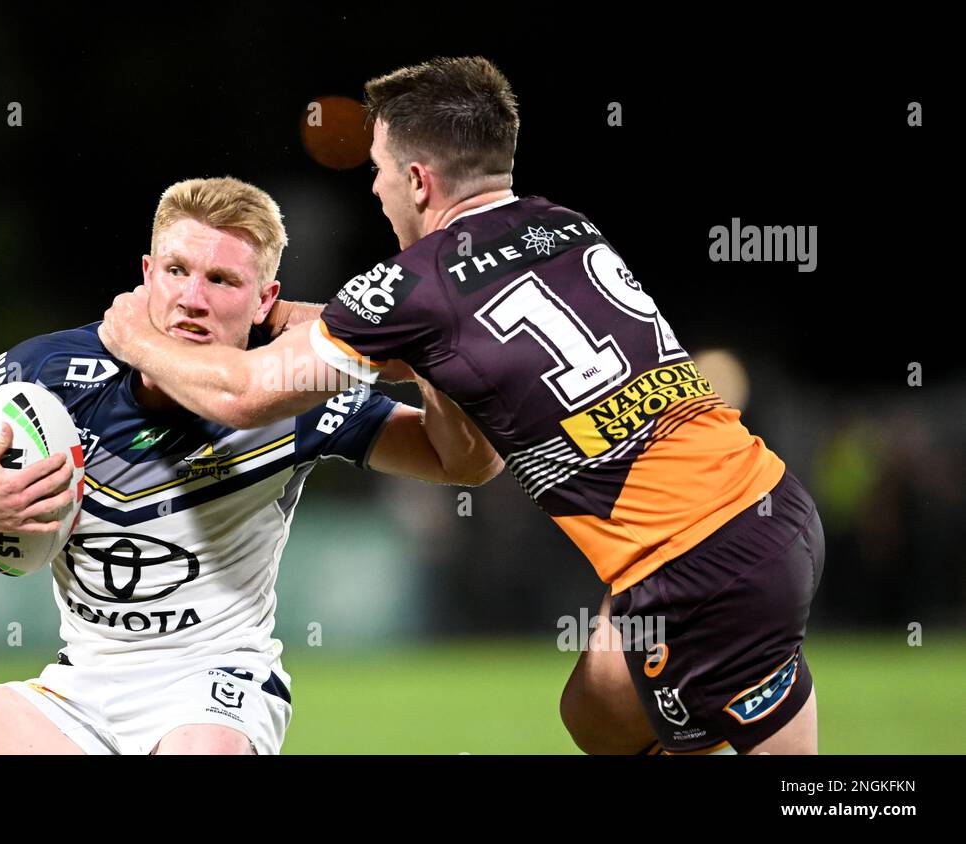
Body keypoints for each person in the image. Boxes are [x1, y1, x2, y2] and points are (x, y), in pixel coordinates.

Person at [98, 58, 826, 755]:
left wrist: (136, 336)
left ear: (418, 180)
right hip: (765, 506)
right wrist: (270, 310)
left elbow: (247, 393)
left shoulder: (416, 284)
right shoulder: (562, 226)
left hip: (698, 562)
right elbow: (430, 339)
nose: (376, 190)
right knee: (598, 709)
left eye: (380, 171)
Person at [0, 176, 502, 756]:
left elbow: (465, 463)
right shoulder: (54, 372)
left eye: (221, 279)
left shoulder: (294, 388)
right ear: (147, 274)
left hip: (217, 686)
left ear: (265, 300)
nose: (192, 297)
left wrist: (420, 350)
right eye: (177, 271)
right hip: (81, 689)